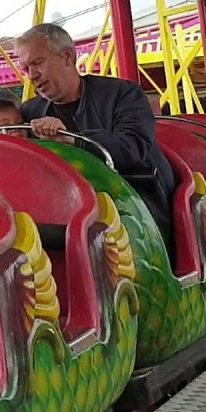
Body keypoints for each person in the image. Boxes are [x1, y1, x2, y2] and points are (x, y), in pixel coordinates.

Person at [14, 23, 177, 246]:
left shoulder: (123, 94)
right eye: (25, 68)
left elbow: (133, 147)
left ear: (67, 57)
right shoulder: (29, 112)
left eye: (37, 63)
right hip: (64, 206)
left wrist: (73, 140)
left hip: (133, 197)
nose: (32, 75)